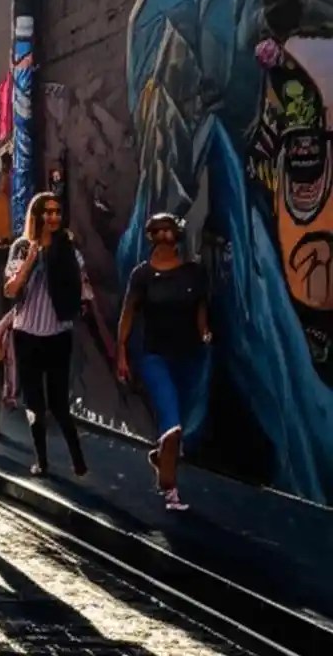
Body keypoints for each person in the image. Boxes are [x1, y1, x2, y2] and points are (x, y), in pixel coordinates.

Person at [116, 213, 211, 511]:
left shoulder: (193, 273)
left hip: (189, 357)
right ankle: (169, 489)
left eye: (168, 233)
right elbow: (128, 313)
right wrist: (121, 353)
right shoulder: (142, 275)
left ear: (177, 237)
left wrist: (204, 330)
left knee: (181, 421)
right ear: (150, 237)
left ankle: (160, 457)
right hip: (154, 356)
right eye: (157, 233)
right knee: (172, 426)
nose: (163, 239)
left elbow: (200, 305)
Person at [4, 192, 91, 477]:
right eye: (47, 212)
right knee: (34, 402)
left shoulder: (68, 248)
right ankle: (41, 459)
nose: (52, 217)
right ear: (36, 215)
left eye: (57, 212)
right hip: (27, 332)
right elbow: (10, 290)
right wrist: (31, 259)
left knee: (59, 403)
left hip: (57, 332)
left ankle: (78, 458)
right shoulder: (21, 248)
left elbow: (81, 284)